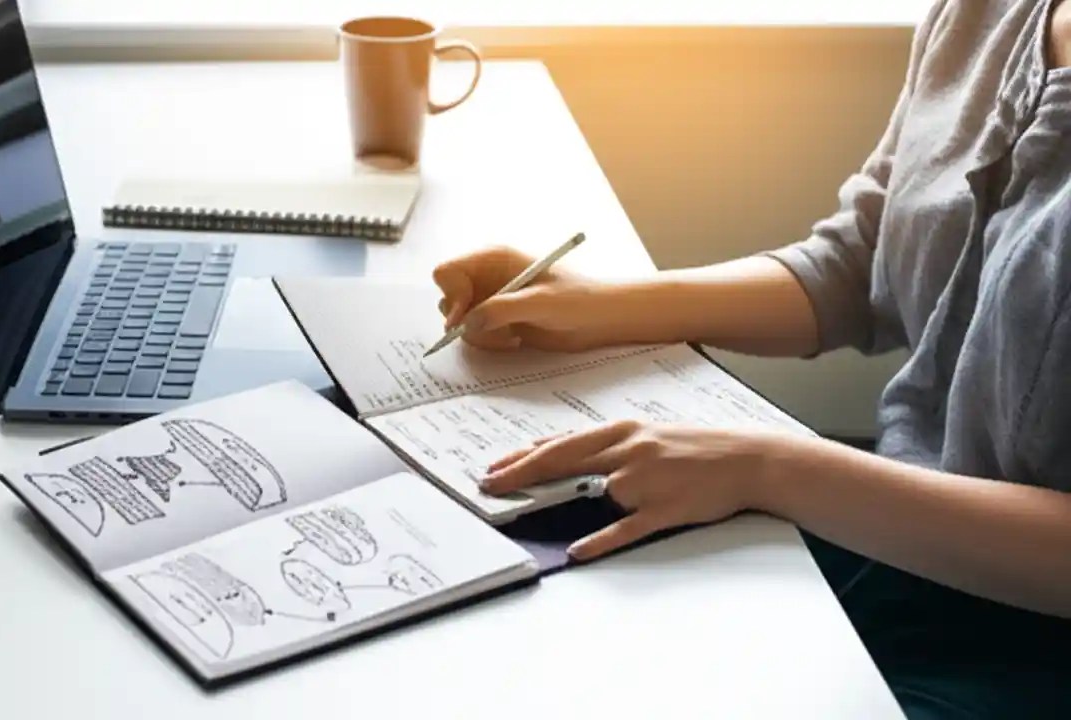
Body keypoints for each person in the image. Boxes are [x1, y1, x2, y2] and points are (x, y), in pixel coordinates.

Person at [432, 1, 1071, 717]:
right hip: (879, 540)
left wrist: (769, 468)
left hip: (1029, 651)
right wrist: (603, 306)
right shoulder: (986, 14)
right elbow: (860, 264)